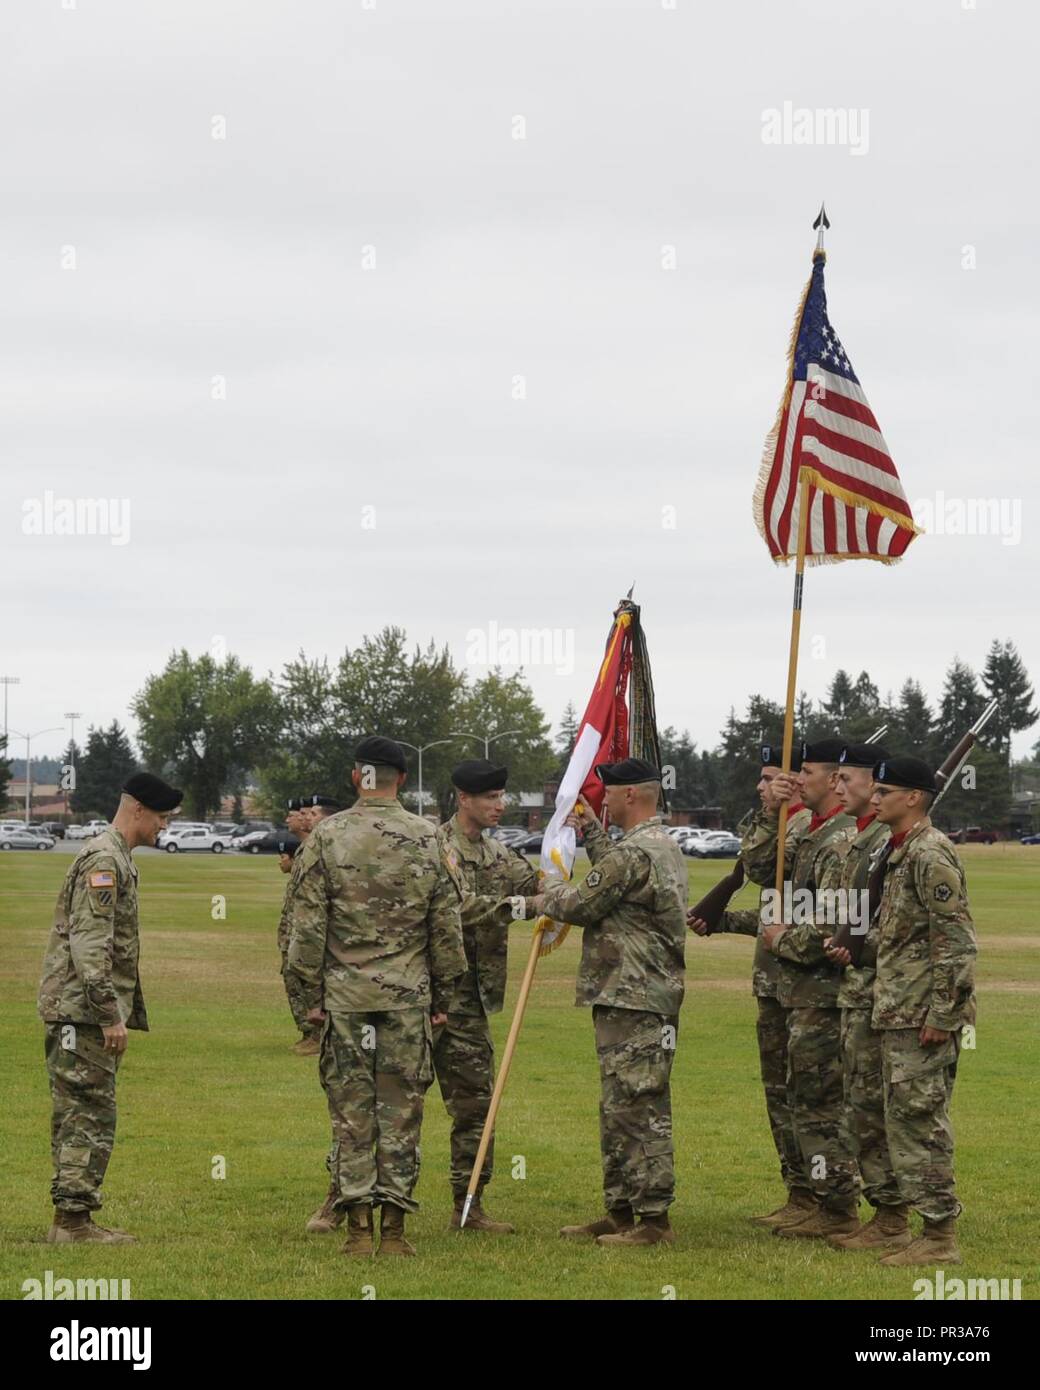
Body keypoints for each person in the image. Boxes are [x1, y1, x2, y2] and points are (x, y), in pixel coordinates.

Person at [287, 736, 466, 1257]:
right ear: (401, 779)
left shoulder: (327, 836)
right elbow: (447, 930)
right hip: (408, 1002)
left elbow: (306, 932)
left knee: (351, 1113)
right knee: (401, 1112)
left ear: (355, 777)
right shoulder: (431, 838)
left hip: (345, 1003)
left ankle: (358, 1230)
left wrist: (308, 1002)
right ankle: (393, 1233)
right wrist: (444, 997)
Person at [525, 758, 687, 1247]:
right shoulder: (656, 846)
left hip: (635, 997)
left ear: (632, 795)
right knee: (619, 1104)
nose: (604, 801)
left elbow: (579, 903)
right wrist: (593, 834)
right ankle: (621, 1211)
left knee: (638, 1106)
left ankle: (653, 1220)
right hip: (632, 994)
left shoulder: (636, 853)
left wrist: (546, 883)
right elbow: (617, 881)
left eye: (609, 795)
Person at [38, 772, 182, 1243]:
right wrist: (109, 1015)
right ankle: (75, 1224)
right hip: (82, 1014)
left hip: (76, 1011)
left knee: (79, 1112)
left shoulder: (113, 855)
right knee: (89, 1114)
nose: (164, 826)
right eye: (161, 816)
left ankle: (70, 1218)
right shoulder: (105, 858)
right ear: (137, 809)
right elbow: (90, 945)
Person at [689, 744, 811, 1227]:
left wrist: (769, 814)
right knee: (779, 1094)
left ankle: (824, 1198)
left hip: (806, 987)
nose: (761, 788)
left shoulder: (805, 828)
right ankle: (800, 1193)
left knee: (810, 1098)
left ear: (799, 779)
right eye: (761, 781)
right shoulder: (783, 823)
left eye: (769, 778)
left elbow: (759, 869)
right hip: (775, 983)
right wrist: (719, 920)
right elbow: (775, 914)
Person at [866, 755, 976, 1267]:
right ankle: (918, 1228)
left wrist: (943, 1015)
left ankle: (939, 1237)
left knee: (922, 1122)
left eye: (883, 791)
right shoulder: (900, 853)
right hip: (899, 1011)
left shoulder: (930, 854)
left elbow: (955, 942)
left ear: (913, 797)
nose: (873, 798)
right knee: (904, 1122)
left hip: (921, 1017)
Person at [752, 738, 859, 1240]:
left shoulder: (842, 840)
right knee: (793, 1096)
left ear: (835, 780)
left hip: (822, 990)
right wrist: (770, 811)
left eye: (807, 772)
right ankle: (805, 1193)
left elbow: (840, 920)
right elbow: (758, 871)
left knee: (820, 1101)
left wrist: (783, 938)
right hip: (792, 988)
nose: (798, 780)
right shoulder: (808, 831)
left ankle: (835, 1204)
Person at [434, 759, 539, 1233]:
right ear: (463, 799)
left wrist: (567, 864)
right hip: (422, 996)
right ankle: (343, 1197)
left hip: (470, 1005)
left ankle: (469, 1203)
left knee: (476, 1105)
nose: (500, 805)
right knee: (385, 1102)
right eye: (490, 798)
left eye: (502, 797)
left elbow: (538, 884)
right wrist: (522, 905)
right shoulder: (436, 848)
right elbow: (459, 908)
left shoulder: (499, 854)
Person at [821, 743, 906, 1252]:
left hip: (885, 998)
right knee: (860, 1111)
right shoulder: (864, 846)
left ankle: (895, 1217)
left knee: (881, 1112)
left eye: (846, 779)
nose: (839, 787)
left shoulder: (894, 845)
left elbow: (904, 932)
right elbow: (850, 917)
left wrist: (851, 944)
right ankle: (885, 1212)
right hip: (858, 995)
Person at [278, 797, 320, 1056]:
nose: (304, 818)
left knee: (309, 980)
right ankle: (308, 1032)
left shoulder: (317, 848)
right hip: (295, 928)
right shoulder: (307, 848)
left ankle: (316, 1034)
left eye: (310, 813)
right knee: (295, 980)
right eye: (303, 813)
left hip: (308, 929)